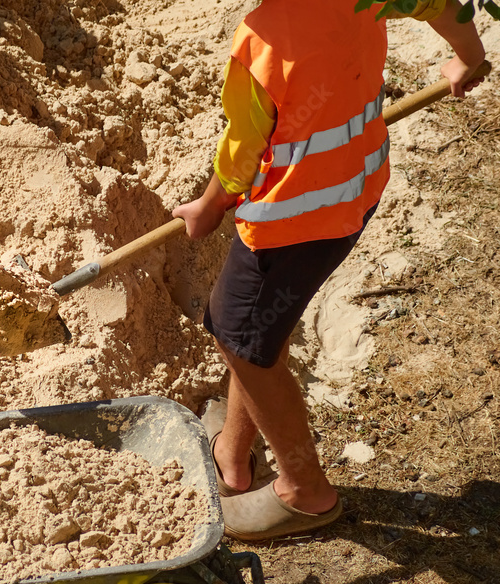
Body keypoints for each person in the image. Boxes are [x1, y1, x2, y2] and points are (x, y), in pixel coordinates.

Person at [170, 0, 486, 541]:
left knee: (236, 331)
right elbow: (438, 3)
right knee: (258, 331)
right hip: (354, 191)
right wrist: (469, 57)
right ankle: (233, 457)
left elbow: (242, 153)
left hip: (292, 221)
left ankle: (305, 491)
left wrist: (208, 205)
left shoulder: (263, 44)